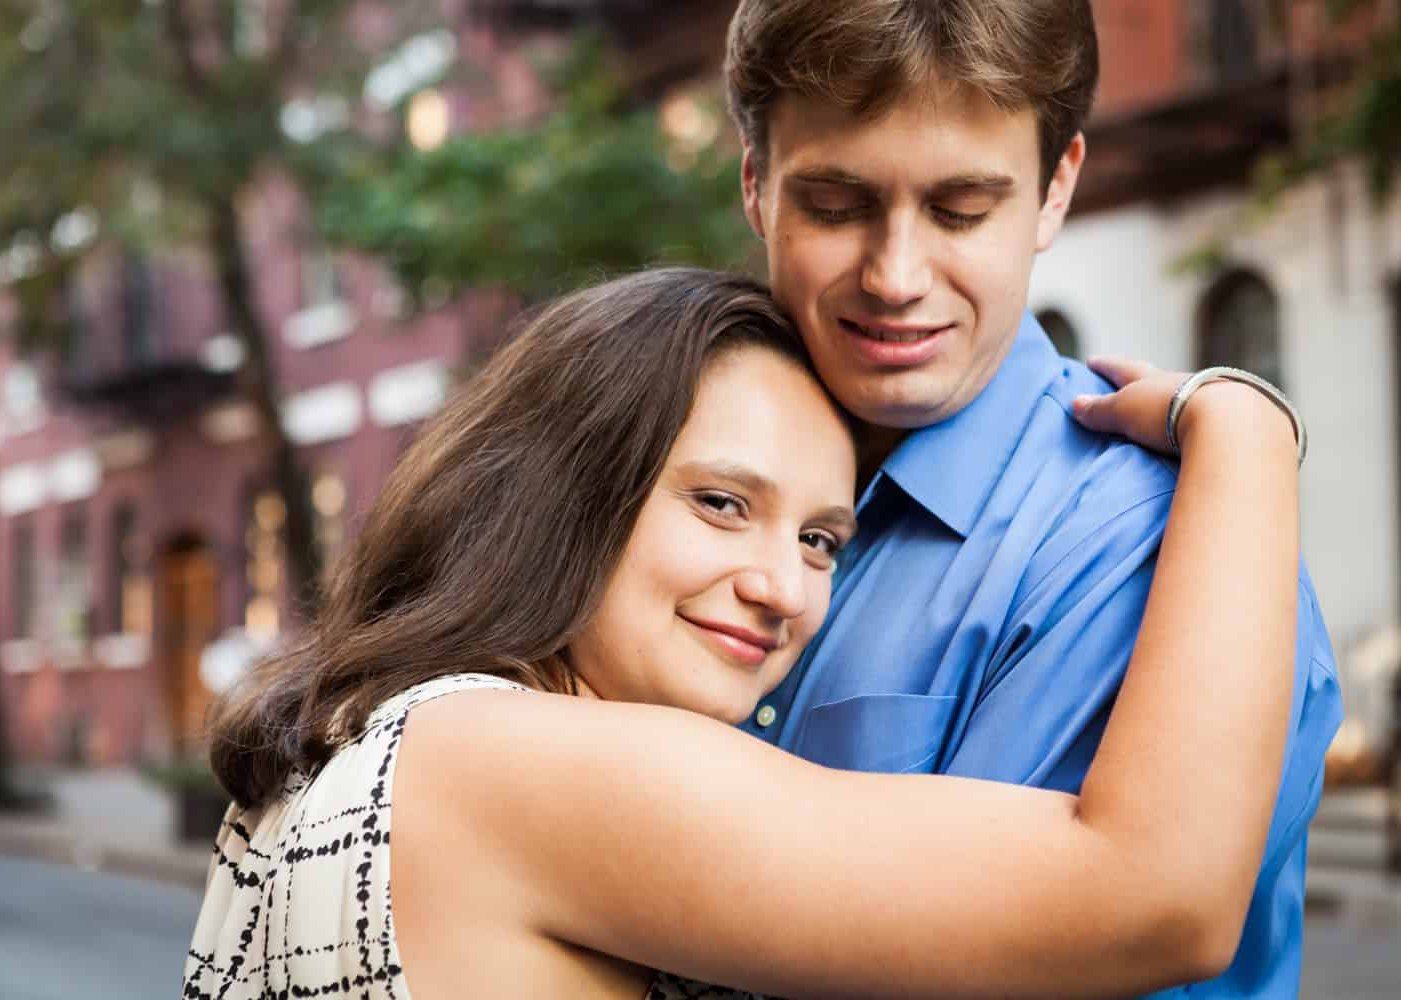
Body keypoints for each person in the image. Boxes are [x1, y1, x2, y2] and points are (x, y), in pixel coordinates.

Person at [186, 267, 1306, 999]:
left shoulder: (351, 750)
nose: (784, 587)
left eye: (823, 539)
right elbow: (1159, 895)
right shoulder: (532, 768)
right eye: (722, 502)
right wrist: (1244, 429)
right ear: (566, 492)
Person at [723, 3, 1342, 995]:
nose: (896, 275)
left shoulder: (1152, 543)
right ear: (756, 184)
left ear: (1057, 188)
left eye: (962, 209)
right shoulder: (667, 467)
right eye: (836, 205)